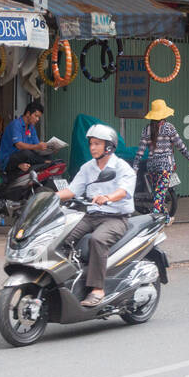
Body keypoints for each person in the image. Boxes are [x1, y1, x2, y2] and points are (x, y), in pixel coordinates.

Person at [57, 124, 136, 307]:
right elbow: (71, 190)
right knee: (62, 237)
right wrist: (48, 197)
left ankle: (97, 289)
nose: (92, 147)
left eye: (97, 144)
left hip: (116, 218)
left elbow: (123, 192)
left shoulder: (122, 167)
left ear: (108, 146)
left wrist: (108, 197)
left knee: (97, 240)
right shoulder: (87, 167)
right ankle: (69, 279)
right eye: (91, 143)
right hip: (91, 216)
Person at [133, 99, 189, 213]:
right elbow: (179, 145)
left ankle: (165, 219)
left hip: (151, 166)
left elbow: (140, 151)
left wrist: (135, 167)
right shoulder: (168, 127)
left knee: (158, 196)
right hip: (165, 167)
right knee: (159, 197)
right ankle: (156, 218)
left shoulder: (146, 129)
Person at [0, 100, 48, 174]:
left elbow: (37, 145)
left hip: (23, 158)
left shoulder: (31, 127)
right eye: (36, 116)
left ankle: (46, 163)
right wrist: (37, 147)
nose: (37, 119)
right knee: (26, 153)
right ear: (28, 113)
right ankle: (45, 162)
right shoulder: (16, 124)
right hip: (8, 159)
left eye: (39, 117)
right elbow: (19, 145)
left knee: (47, 154)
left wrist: (50, 149)